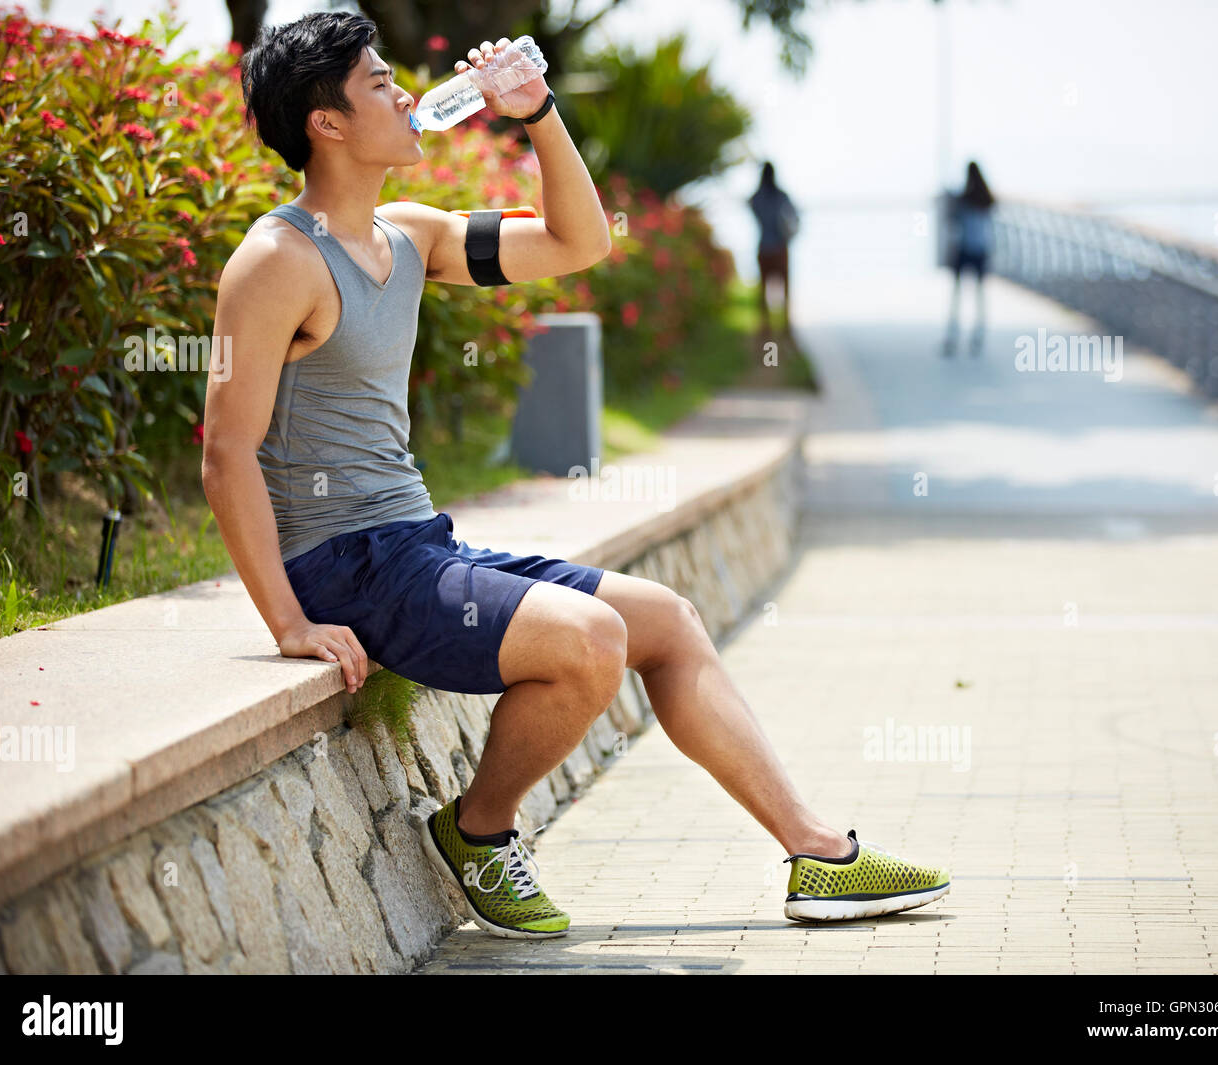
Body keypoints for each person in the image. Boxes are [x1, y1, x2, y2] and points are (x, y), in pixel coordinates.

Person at [206, 12, 948, 941]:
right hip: (345, 564)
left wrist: (538, 112)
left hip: (416, 547)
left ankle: (816, 854)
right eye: (378, 82)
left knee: (667, 622)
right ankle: (480, 830)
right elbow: (225, 450)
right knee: (593, 638)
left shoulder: (407, 237)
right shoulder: (276, 261)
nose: (405, 94)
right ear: (327, 122)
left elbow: (578, 243)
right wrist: (289, 621)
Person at [942, 160, 996, 357]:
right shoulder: (986, 199)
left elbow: (952, 222)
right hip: (981, 250)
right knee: (979, 294)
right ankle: (978, 334)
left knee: (957, 295)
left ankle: (953, 335)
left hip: (964, 249)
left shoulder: (963, 200)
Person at [749, 161, 800, 342]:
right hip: (780, 248)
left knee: (763, 291)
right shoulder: (781, 196)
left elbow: (752, 210)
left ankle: (766, 331)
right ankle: (786, 330)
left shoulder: (756, 198)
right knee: (785, 290)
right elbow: (795, 216)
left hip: (764, 248)